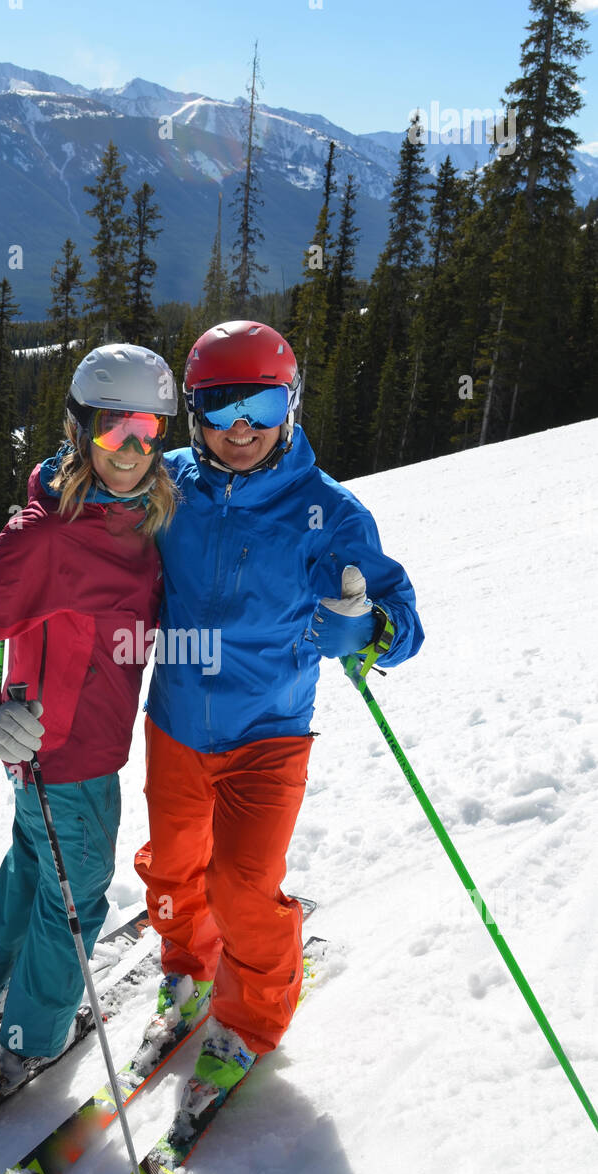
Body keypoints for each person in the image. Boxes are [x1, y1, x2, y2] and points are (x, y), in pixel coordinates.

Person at [134, 320, 424, 1114]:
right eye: (221, 405)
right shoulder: (170, 484)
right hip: (173, 726)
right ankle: (188, 969)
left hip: (267, 737)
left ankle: (253, 1016)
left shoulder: (326, 512)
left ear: (290, 403)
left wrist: (368, 628)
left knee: (244, 887)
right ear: (194, 412)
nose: (241, 428)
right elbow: (92, 513)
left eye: (260, 405)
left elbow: (404, 620)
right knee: (170, 868)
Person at [0, 343, 178, 1088]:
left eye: (147, 429)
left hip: (69, 746)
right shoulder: (46, 535)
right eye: (111, 429)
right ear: (79, 430)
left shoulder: (136, 513)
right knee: (78, 892)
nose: (130, 449)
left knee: (35, 867)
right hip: (62, 752)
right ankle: (33, 1038)